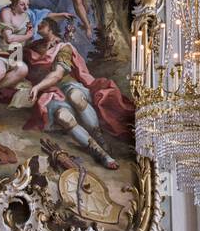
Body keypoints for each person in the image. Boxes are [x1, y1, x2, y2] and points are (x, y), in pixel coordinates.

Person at [22, 20, 133, 170]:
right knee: (63, 117)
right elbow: (20, 57)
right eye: (38, 22)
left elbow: (58, 74)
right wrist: (26, 36)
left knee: (75, 96)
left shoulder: (63, 46)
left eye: (43, 22)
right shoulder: (33, 47)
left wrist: (37, 86)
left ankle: (99, 138)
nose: (39, 24)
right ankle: (100, 153)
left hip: (67, 85)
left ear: (51, 27)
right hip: (50, 93)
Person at [0, 0, 74, 120]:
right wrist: (28, 35)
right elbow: (9, 39)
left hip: (13, 54)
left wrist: (61, 15)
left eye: (27, 5)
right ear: (14, 3)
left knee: (23, 69)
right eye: (22, 4)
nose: (26, 7)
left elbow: (42, 15)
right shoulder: (6, 13)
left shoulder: (28, 15)